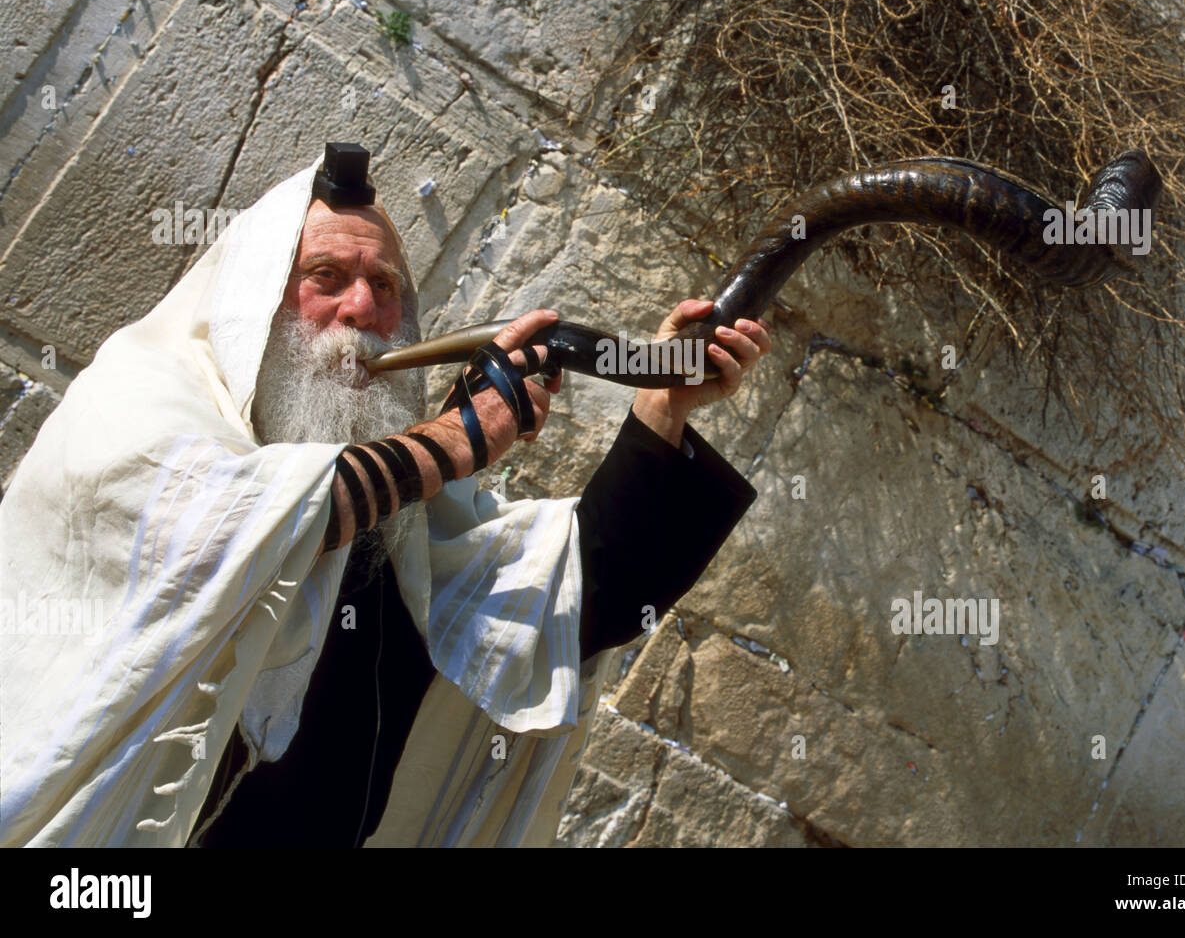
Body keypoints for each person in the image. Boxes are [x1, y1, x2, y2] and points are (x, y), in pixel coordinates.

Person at [0, 145, 770, 848]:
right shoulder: (136, 404)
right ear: (254, 307)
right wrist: (451, 441)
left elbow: (573, 600)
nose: (362, 311)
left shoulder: (404, 531)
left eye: (384, 287)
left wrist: (662, 405)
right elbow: (229, 528)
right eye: (325, 279)